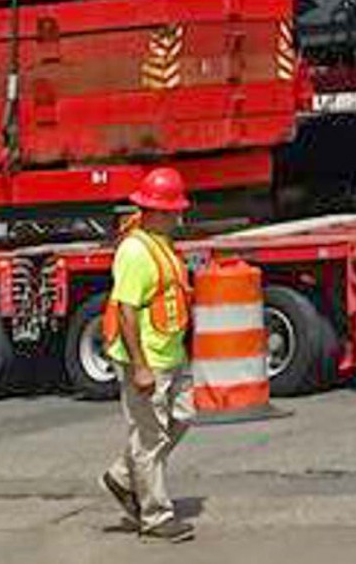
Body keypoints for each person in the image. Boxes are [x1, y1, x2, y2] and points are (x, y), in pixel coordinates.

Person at [100, 165, 196, 543]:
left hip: (170, 354)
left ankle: (124, 477)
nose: (178, 216)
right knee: (149, 438)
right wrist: (140, 366)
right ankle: (155, 515)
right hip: (148, 359)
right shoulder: (136, 251)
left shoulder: (160, 242)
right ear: (155, 211)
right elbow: (125, 309)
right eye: (172, 210)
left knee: (183, 416)